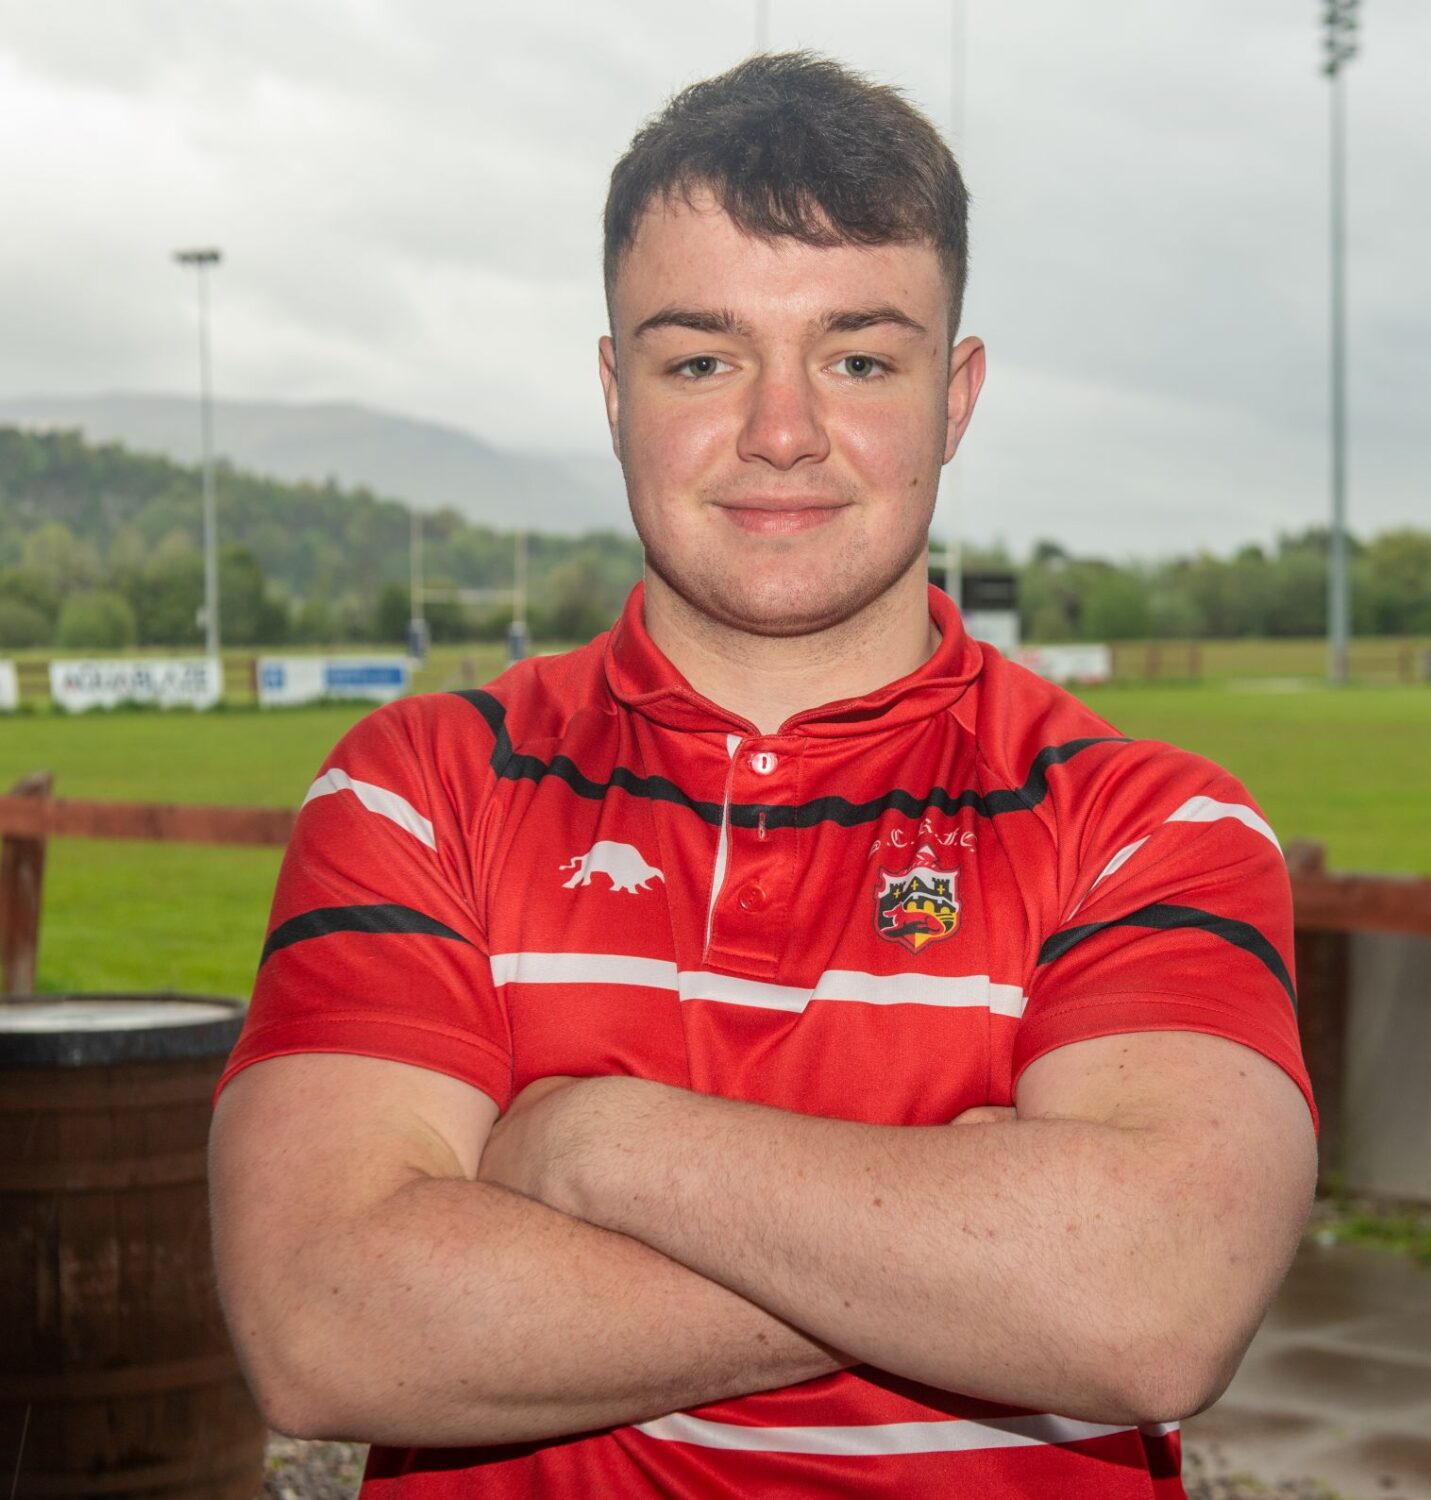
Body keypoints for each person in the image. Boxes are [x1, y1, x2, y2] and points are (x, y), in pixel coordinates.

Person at [209, 52, 1318, 1498]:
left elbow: (1148, 1299)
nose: (781, 431)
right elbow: (324, 1322)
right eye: (702, 359)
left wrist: (595, 1145)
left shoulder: (1150, 821)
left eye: (859, 357)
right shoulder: (417, 789)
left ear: (955, 395)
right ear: (615, 392)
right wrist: (966, 1254)